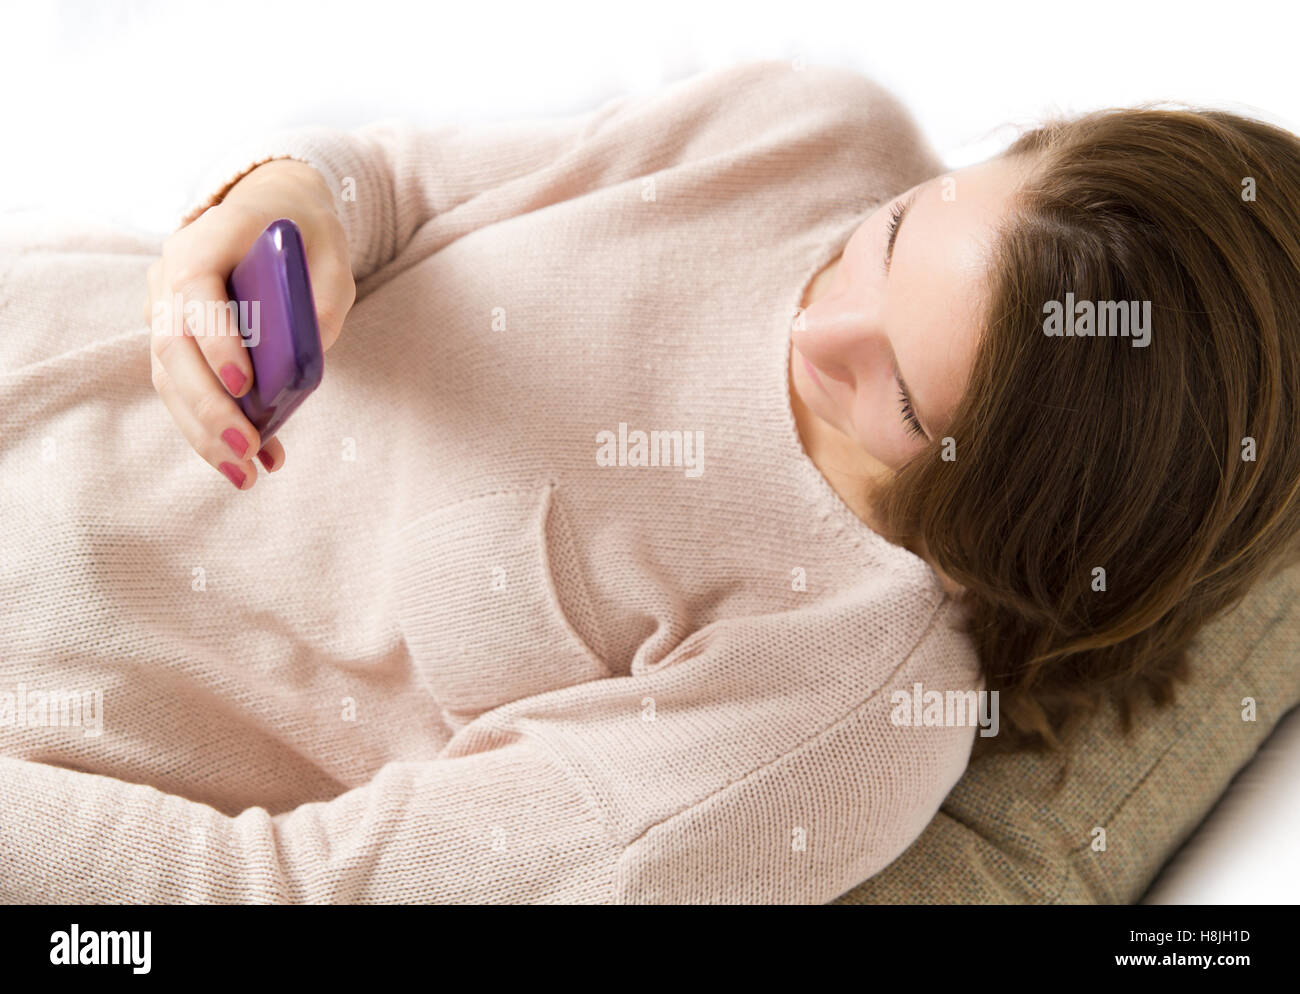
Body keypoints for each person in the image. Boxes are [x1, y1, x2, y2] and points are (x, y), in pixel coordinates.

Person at [1, 60, 1297, 903]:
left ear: (997, 537)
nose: (808, 333)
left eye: (896, 395)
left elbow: (283, 890)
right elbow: (392, 184)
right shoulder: (820, 132)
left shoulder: (826, 717)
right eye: (890, 238)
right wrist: (276, 210)